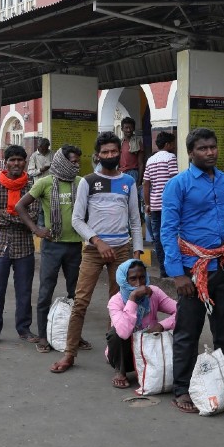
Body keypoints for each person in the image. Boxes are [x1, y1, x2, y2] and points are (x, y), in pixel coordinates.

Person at [162, 128, 224, 413]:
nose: (210, 152)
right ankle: (181, 390)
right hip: (193, 271)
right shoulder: (178, 184)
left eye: (213, 147)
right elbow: (168, 230)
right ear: (190, 153)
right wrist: (177, 274)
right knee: (187, 332)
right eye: (203, 148)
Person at [51, 132, 143, 374]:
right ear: (98, 155)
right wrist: (98, 241)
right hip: (93, 251)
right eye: (105, 152)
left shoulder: (129, 183)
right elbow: (77, 219)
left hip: (122, 251)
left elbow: (135, 220)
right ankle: (69, 354)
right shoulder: (88, 182)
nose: (110, 155)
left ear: (119, 153)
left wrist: (138, 252)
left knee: (120, 305)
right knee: (80, 302)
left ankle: (117, 357)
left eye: (114, 151)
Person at [14, 145, 84, 353]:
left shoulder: (80, 183)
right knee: (46, 291)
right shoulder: (45, 183)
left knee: (76, 294)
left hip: (74, 246)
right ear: (62, 161)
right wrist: (36, 229)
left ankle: (74, 336)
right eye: (73, 161)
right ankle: (43, 336)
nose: (77, 165)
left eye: (78, 161)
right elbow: (20, 206)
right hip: (52, 246)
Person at [0, 145, 39, 346]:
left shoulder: (31, 187)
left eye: (19, 160)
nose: (16, 163)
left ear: (25, 162)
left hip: (24, 247)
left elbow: (32, 216)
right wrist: (19, 216)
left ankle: (24, 329)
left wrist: (4, 214)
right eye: (12, 160)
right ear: (5, 163)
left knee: (24, 291)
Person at [106, 258, 177, 390]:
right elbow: (123, 332)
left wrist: (162, 325)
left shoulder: (154, 292)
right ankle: (120, 371)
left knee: (184, 323)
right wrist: (132, 298)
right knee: (114, 333)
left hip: (150, 349)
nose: (139, 283)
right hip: (126, 355)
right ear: (123, 280)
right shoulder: (115, 301)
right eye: (133, 279)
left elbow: (181, 311)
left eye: (142, 278)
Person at [142, 131, 179, 274]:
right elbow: (174, 180)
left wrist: (147, 204)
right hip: (169, 205)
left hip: (154, 204)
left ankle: (163, 269)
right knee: (171, 235)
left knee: (158, 237)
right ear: (167, 144)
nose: (174, 146)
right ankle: (172, 267)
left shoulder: (150, 160)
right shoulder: (170, 157)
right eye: (173, 144)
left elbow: (146, 184)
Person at [119, 116, 143, 187]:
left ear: (134, 129)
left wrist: (139, 181)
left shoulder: (137, 142)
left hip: (133, 174)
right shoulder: (120, 143)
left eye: (131, 128)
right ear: (122, 129)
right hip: (121, 173)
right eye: (126, 128)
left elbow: (141, 164)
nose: (129, 130)